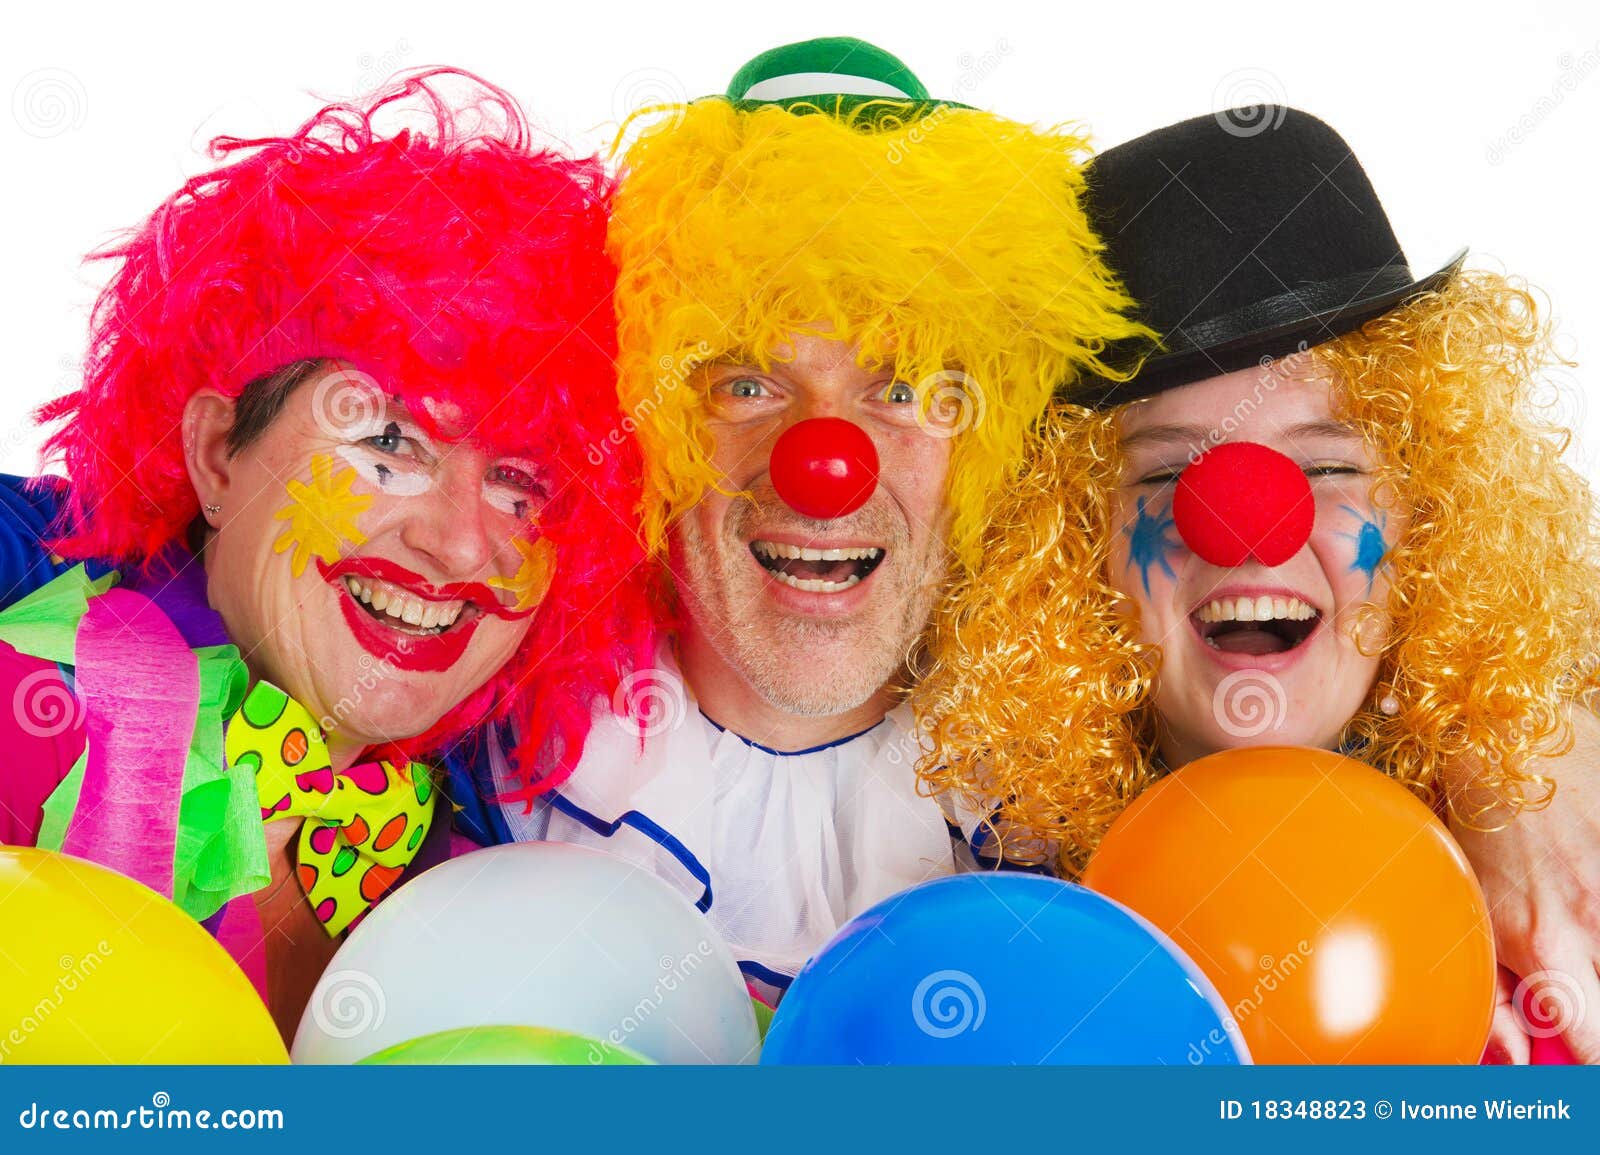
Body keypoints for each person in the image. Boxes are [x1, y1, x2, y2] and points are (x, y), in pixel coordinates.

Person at [449, 36, 1148, 995]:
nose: (825, 466)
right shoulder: (477, 777)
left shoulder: (1096, 828)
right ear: (646, 427)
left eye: (901, 390)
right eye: (746, 384)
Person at [916, 107, 1600, 1062]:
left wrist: (1520, 758)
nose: (1245, 529)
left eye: (1327, 467)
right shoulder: (972, 897)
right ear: (1070, 542)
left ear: (1433, 512)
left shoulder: (1561, 891)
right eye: (1165, 476)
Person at [0, 68, 654, 1040]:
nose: (459, 542)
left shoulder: (497, 877)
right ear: (217, 455)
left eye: (522, 485)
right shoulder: (23, 730)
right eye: (388, 445)